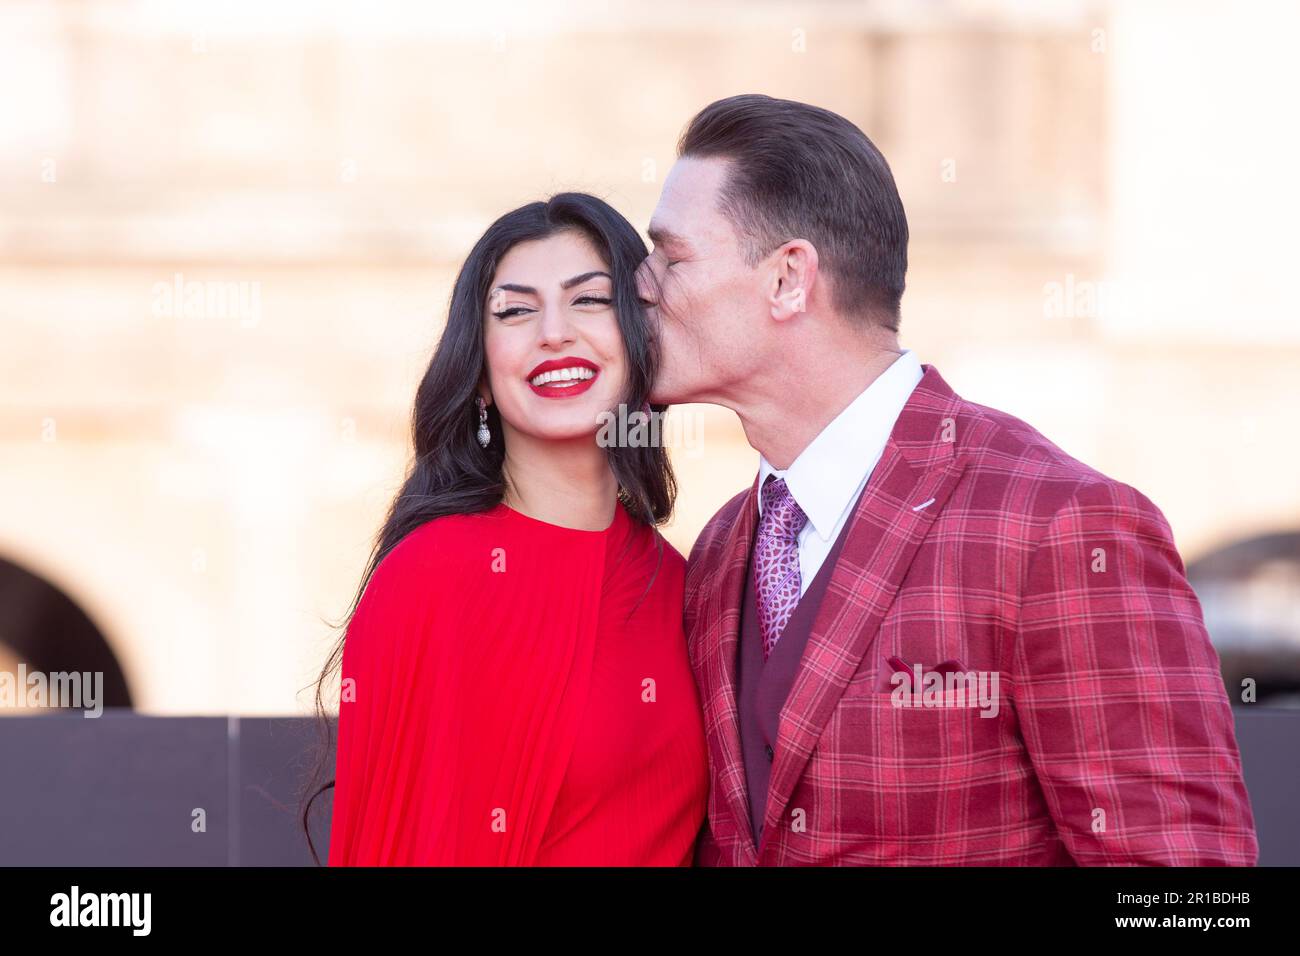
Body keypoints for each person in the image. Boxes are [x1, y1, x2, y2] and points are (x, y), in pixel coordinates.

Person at [637, 93, 1259, 865]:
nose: (639, 283)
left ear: (788, 279)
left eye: (671, 256)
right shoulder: (722, 546)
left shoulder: (1062, 526)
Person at [315, 193, 708, 865]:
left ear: (642, 338)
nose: (553, 332)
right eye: (517, 311)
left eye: (589, 300)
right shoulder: (430, 578)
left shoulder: (687, 588)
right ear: (483, 379)